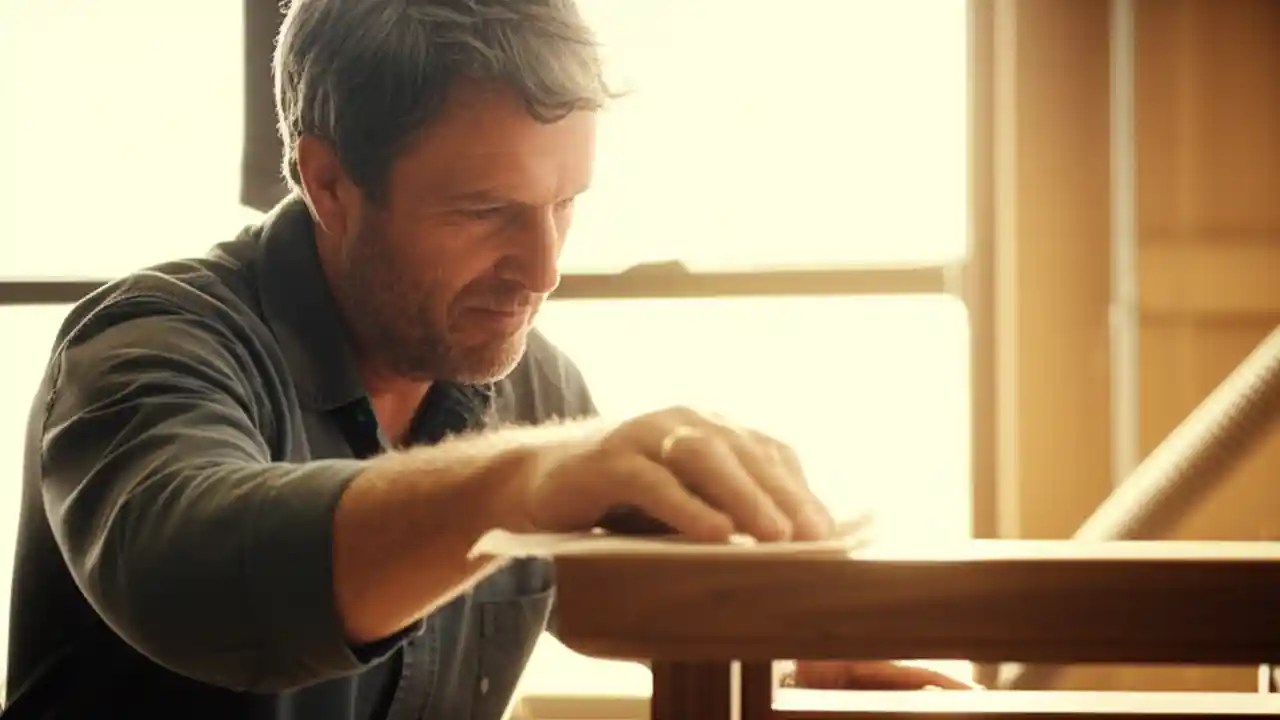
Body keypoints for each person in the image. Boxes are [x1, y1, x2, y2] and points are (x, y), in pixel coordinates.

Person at [5, 0, 973, 717]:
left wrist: (791, 659)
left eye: (565, 205)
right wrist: (532, 480)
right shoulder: (142, 346)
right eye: (485, 212)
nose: (544, 269)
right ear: (327, 182)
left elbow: (619, 596)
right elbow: (197, 575)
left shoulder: (532, 385)